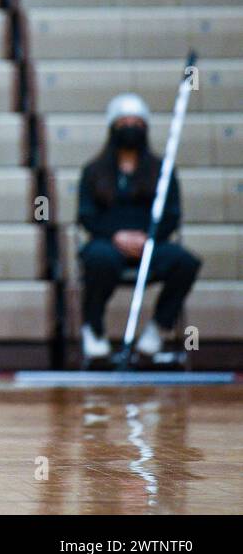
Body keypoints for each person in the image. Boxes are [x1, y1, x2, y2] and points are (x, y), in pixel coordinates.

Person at [77, 93, 202, 361]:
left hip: (151, 242)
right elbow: (86, 216)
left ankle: (156, 331)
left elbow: (171, 213)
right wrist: (117, 236)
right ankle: (94, 329)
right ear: (113, 127)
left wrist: (147, 238)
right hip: (107, 242)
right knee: (98, 259)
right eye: (124, 121)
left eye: (137, 121)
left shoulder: (162, 170)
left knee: (186, 262)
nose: (131, 126)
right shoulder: (93, 171)